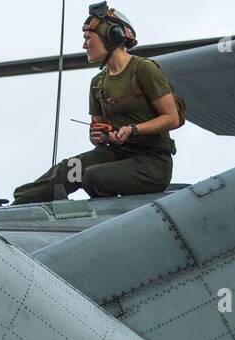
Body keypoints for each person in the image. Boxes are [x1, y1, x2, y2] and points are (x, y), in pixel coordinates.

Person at [12, 3, 182, 205]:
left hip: (152, 162)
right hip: (117, 154)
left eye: (88, 39)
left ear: (112, 36)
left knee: (93, 177)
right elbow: (98, 129)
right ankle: (14, 205)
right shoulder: (98, 82)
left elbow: (173, 118)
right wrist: (99, 135)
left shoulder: (143, 69)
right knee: (69, 169)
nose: (84, 46)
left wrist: (132, 130)